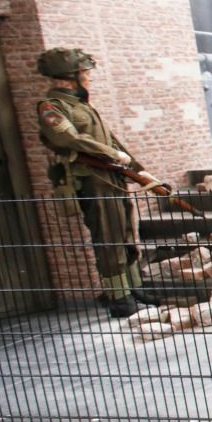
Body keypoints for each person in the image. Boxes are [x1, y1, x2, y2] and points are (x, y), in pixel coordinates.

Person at [35, 48, 157, 318]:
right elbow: (69, 140)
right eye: (84, 72)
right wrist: (114, 156)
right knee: (108, 237)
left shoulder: (81, 105)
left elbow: (111, 141)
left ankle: (134, 287)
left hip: (111, 178)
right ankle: (118, 297)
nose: (89, 77)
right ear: (68, 77)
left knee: (124, 231)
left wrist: (139, 170)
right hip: (90, 180)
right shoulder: (52, 107)